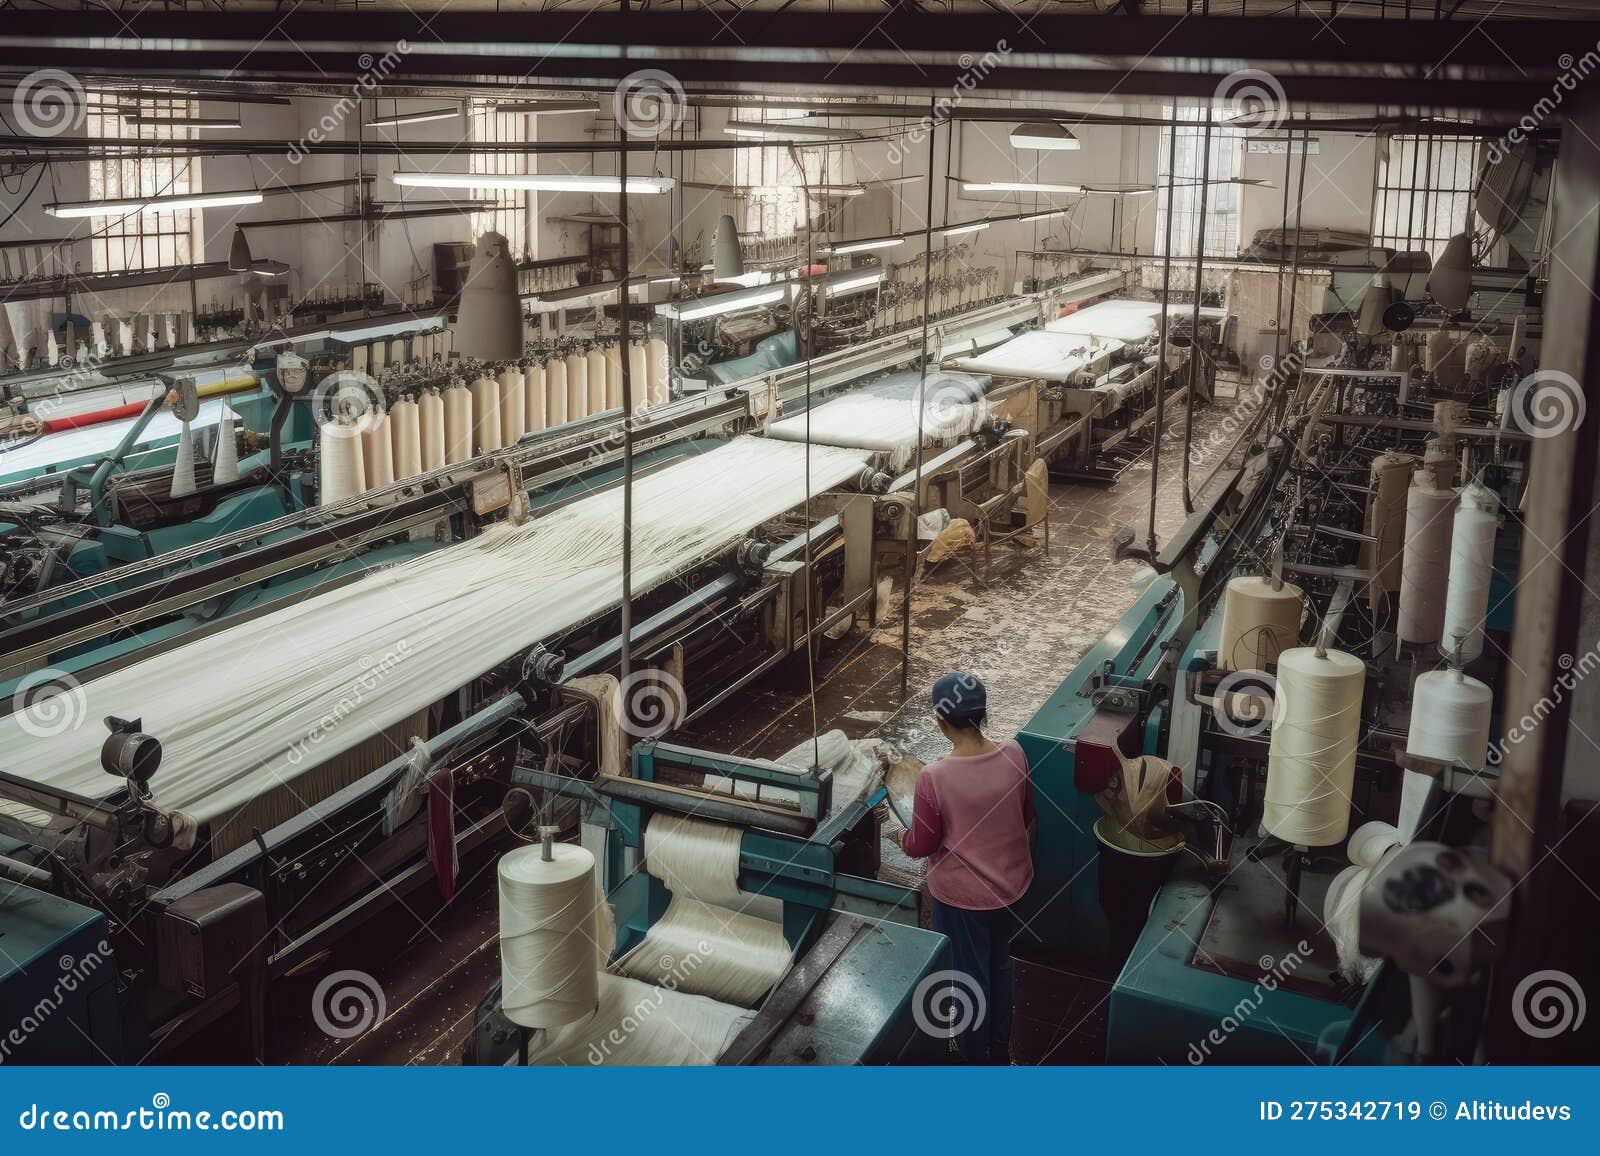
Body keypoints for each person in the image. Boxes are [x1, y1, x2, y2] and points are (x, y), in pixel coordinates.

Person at [900, 672, 1035, 1063]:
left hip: (964, 900)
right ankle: (998, 1048)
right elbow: (1026, 817)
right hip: (1012, 887)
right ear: (984, 714)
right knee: (999, 965)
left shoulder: (934, 777)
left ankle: (973, 1061)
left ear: (940, 722)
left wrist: (901, 839)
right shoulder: (1015, 753)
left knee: (967, 980)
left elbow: (922, 844)